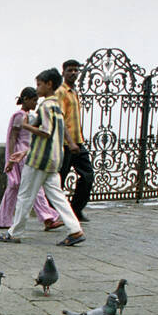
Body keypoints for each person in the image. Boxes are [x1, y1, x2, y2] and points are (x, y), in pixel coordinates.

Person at [0, 68, 86, 246]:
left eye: (39, 85)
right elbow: (58, 133)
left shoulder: (45, 106)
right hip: (54, 158)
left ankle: (14, 232)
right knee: (57, 196)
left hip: (39, 160)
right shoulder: (57, 106)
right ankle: (75, 229)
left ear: (49, 84)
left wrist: (27, 126)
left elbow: (45, 132)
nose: (37, 88)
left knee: (25, 196)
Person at [0, 87, 62, 230]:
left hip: (24, 152)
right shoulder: (20, 115)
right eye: (33, 100)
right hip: (22, 154)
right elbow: (13, 136)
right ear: (25, 99)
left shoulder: (26, 115)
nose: (35, 104)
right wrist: (12, 157)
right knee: (33, 187)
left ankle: (3, 219)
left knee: (15, 187)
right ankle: (47, 217)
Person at [56, 60, 94, 222]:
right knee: (59, 179)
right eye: (70, 70)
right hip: (65, 144)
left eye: (76, 70)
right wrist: (69, 142)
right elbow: (60, 119)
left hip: (78, 142)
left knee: (88, 175)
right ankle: (55, 213)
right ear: (63, 73)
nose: (73, 73)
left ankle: (76, 209)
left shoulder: (74, 91)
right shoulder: (61, 92)